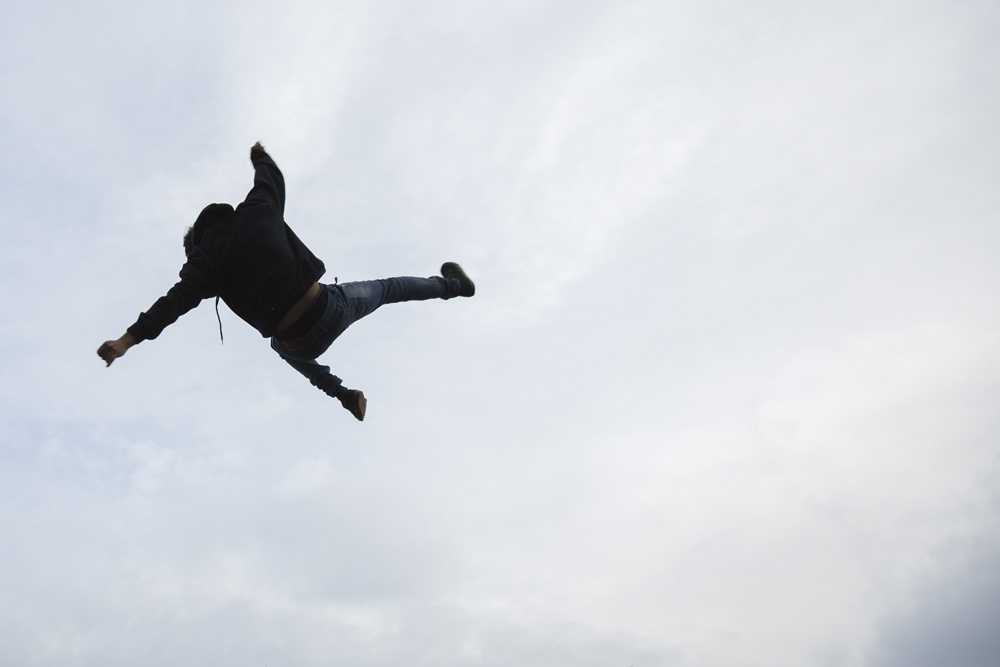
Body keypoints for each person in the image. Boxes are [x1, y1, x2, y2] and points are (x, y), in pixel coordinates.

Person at [97, 142, 475, 421]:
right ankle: (453, 286)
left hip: (300, 342)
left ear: (195, 245)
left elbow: (173, 302)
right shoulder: (256, 210)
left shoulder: (204, 261)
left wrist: (127, 340)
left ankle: (342, 393)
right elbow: (271, 178)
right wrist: (259, 156)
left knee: (281, 346)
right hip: (331, 307)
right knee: (390, 288)